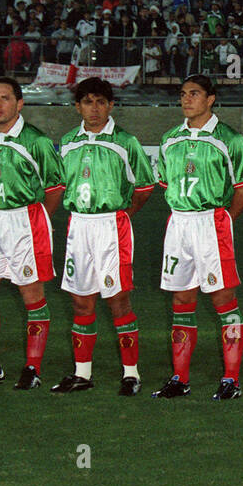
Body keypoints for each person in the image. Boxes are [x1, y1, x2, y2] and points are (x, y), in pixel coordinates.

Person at [150, 75, 243, 400]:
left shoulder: (230, 139)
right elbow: (165, 185)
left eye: (194, 94)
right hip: (179, 224)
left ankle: (231, 380)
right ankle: (180, 378)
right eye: (183, 94)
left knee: (224, 301)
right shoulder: (169, 139)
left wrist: (223, 221)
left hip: (212, 223)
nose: (186, 99)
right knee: (181, 302)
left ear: (210, 99)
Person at [53, 77, 156, 395]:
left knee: (117, 300)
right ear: (77, 106)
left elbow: (144, 186)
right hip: (78, 226)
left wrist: (122, 215)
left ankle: (131, 374)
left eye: (100, 102)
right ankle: (82, 374)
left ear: (111, 105)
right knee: (81, 301)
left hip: (112, 226)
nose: (93, 108)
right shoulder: (68, 141)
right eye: (87, 102)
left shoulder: (126, 141)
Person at [0, 77, 64, 390]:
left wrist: (41, 220)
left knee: (32, 297)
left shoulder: (36, 141)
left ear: (19, 104)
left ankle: (32, 368)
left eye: (5, 98)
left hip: (26, 222)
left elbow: (55, 187)